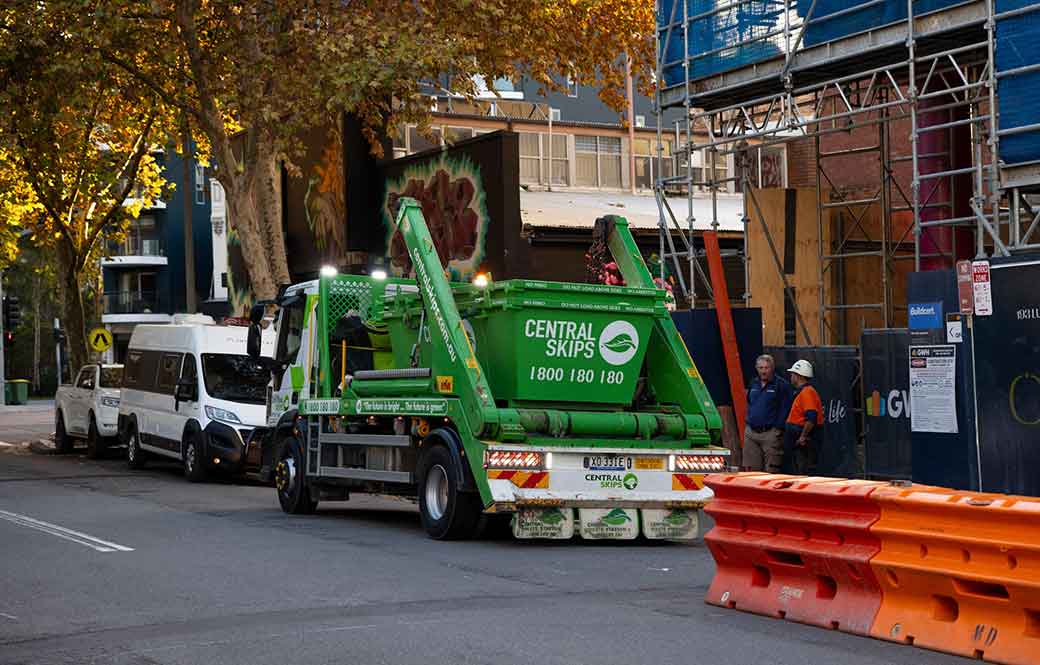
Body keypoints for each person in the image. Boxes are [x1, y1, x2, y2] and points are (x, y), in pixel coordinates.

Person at [743, 354, 793, 472]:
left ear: (772, 368)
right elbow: (750, 402)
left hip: (770, 433)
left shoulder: (782, 385)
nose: (763, 371)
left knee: (771, 472)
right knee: (751, 472)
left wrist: (778, 429)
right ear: (756, 368)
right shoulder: (753, 383)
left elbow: (786, 408)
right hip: (751, 433)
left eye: (766, 368)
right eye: (761, 368)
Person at [785, 359, 824, 475]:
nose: (791, 376)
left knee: (803, 472)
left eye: (792, 374)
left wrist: (802, 436)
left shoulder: (807, 392)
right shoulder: (803, 392)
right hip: (799, 440)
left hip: (803, 442)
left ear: (798, 376)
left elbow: (811, 418)